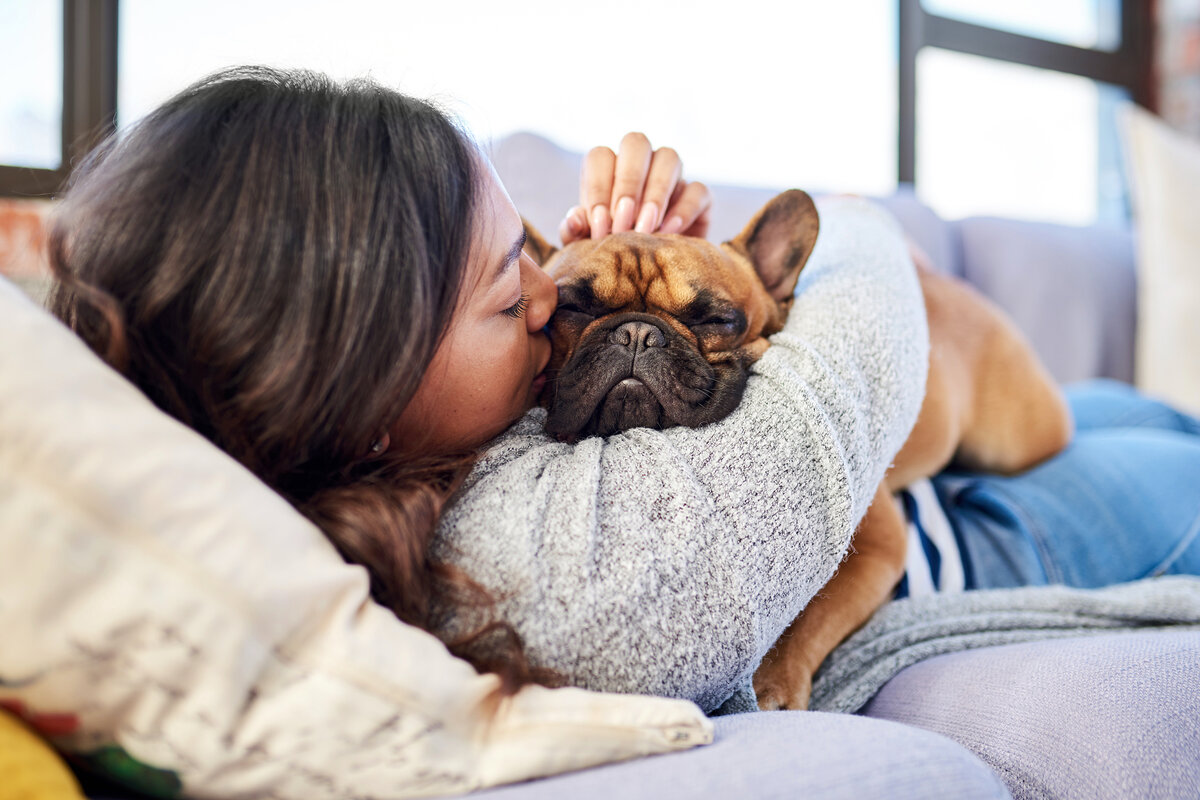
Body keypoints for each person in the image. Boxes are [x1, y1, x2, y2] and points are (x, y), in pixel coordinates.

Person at [47, 66, 1200, 722]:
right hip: (992, 528)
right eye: (521, 297)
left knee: (1118, 406)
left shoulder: (380, 477)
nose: (555, 313)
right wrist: (780, 261)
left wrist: (633, 280)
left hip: (966, 449)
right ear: (367, 384)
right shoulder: (580, 568)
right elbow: (867, 276)